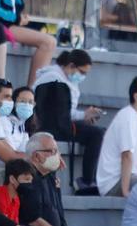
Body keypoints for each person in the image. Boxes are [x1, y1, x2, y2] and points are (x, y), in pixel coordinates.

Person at [31, 46, 103, 181]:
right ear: (71, 65)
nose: (82, 76)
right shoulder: (53, 78)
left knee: (99, 132)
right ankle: (87, 180)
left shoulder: (67, 80)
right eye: (81, 72)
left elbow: (65, 111)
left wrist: (85, 115)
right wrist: (82, 117)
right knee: (97, 134)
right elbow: (54, 113)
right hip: (52, 128)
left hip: (61, 124)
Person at [97, 75, 137, 198]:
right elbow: (126, 156)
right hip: (115, 182)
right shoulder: (127, 116)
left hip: (134, 179)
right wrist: (125, 191)